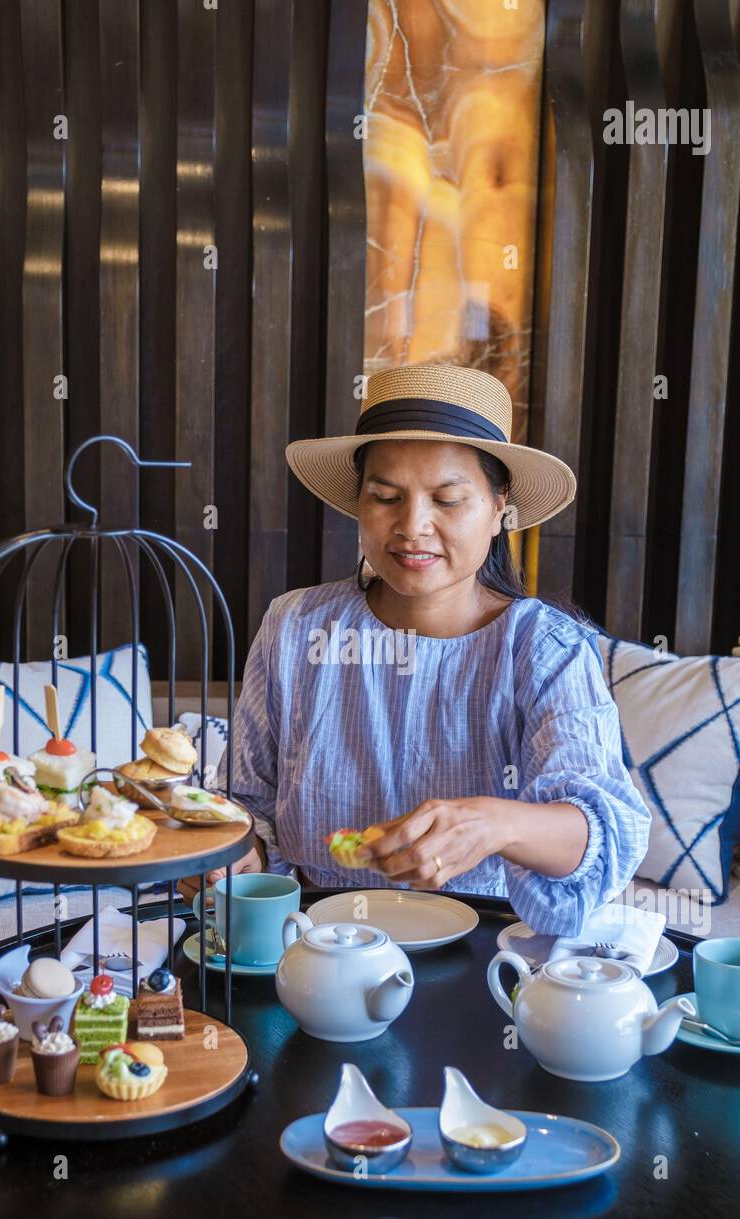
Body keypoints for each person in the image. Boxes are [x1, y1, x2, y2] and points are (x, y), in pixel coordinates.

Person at [179, 363, 650, 936]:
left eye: (447, 500)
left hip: (483, 951)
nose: (412, 526)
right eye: (385, 496)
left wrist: (495, 823)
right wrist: (236, 854)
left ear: (500, 509)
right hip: (309, 948)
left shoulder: (543, 648)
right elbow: (247, 803)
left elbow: (602, 835)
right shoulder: (296, 626)